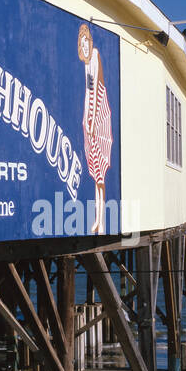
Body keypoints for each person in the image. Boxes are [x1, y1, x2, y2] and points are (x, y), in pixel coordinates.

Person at [77, 23, 112, 235]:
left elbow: (97, 94)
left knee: (101, 178)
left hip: (100, 122)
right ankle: (98, 220)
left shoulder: (96, 56)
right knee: (95, 175)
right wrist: (85, 120)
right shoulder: (85, 64)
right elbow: (87, 95)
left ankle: (101, 220)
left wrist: (91, 122)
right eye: (82, 44)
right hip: (89, 122)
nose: (86, 46)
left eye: (87, 41)